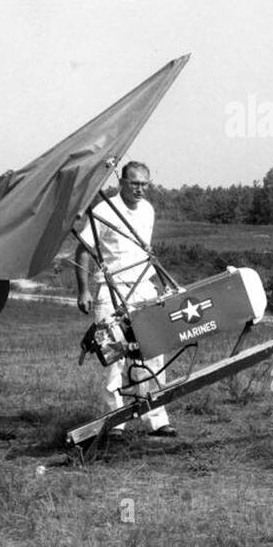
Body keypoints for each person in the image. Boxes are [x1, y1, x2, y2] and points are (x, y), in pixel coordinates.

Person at [73, 161, 176, 437]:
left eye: (144, 184)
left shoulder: (148, 210)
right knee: (115, 356)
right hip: (111, 287)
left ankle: (156, 418)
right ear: (122, 182)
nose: (140, 189)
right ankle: (115, 421)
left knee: (153, 352)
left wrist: (162, 284)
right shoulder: (103, 210)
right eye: (134, 183)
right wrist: (83, 291)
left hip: (143, 287)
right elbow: (83, 252)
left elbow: (145, 252)